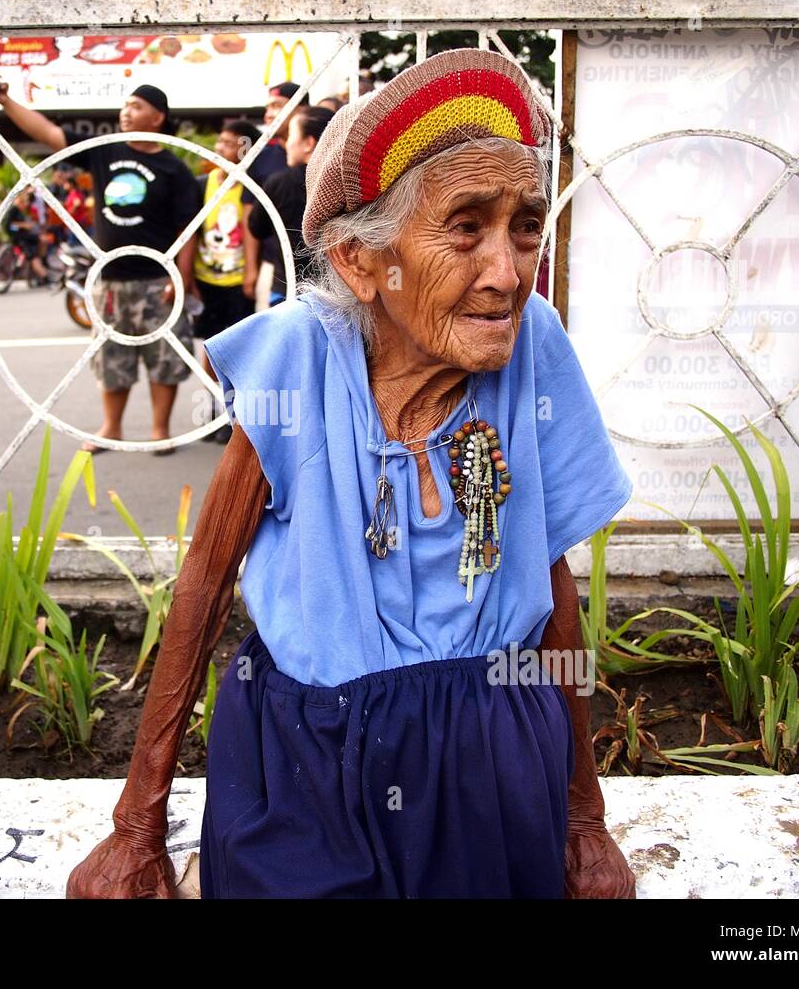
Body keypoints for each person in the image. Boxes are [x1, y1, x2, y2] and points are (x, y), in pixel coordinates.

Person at [66, 48, 637, 900]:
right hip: (311, 759)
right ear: (362, 262)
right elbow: (206, 582)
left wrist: (584, 822)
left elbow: (549, 578)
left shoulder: (533, 345)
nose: (508, 272)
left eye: (524, 223)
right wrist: (135, 828)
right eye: (466, 225)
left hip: (494, 755)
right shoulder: (298, 357)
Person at [0, 75, 202, 455]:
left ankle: (159, 430)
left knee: (164, 358)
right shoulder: (106, 151)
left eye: (136, 106)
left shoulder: (174, 169)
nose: (126, 111)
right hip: (111, 279)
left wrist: (181, 278)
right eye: (125, 104)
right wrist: (6, 102)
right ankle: (112, 427)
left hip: (157, 278)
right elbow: (49, 133)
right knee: (111, 358)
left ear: (158, 117)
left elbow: (189, 230)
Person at [193, 120, 263, 444]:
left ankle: (236, 416)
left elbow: (252, 233)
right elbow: (191, 232)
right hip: (207, 278)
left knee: (238, 348)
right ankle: (213, 409)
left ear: (245, 149)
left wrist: (250, 272)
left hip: (238, 282)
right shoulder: (202, 184)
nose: (220, 149)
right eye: (219, 142)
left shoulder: (250, 187)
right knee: (210, 347)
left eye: (228, 143)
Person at [247, 105, 333, 305]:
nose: (286, 144)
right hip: (334, 294)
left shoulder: (278, 183)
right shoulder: (342, 182)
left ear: (308, 143)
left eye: (291, 135)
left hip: (287, 290)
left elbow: (256, 228)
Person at [242, 81, 299, 305]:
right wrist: (251, 268)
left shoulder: (321, 152)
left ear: (300, 108)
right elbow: (250, 215)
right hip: (273, 266)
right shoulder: (260, 157)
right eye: (267, 108)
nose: (268, 115)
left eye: (277, 106)